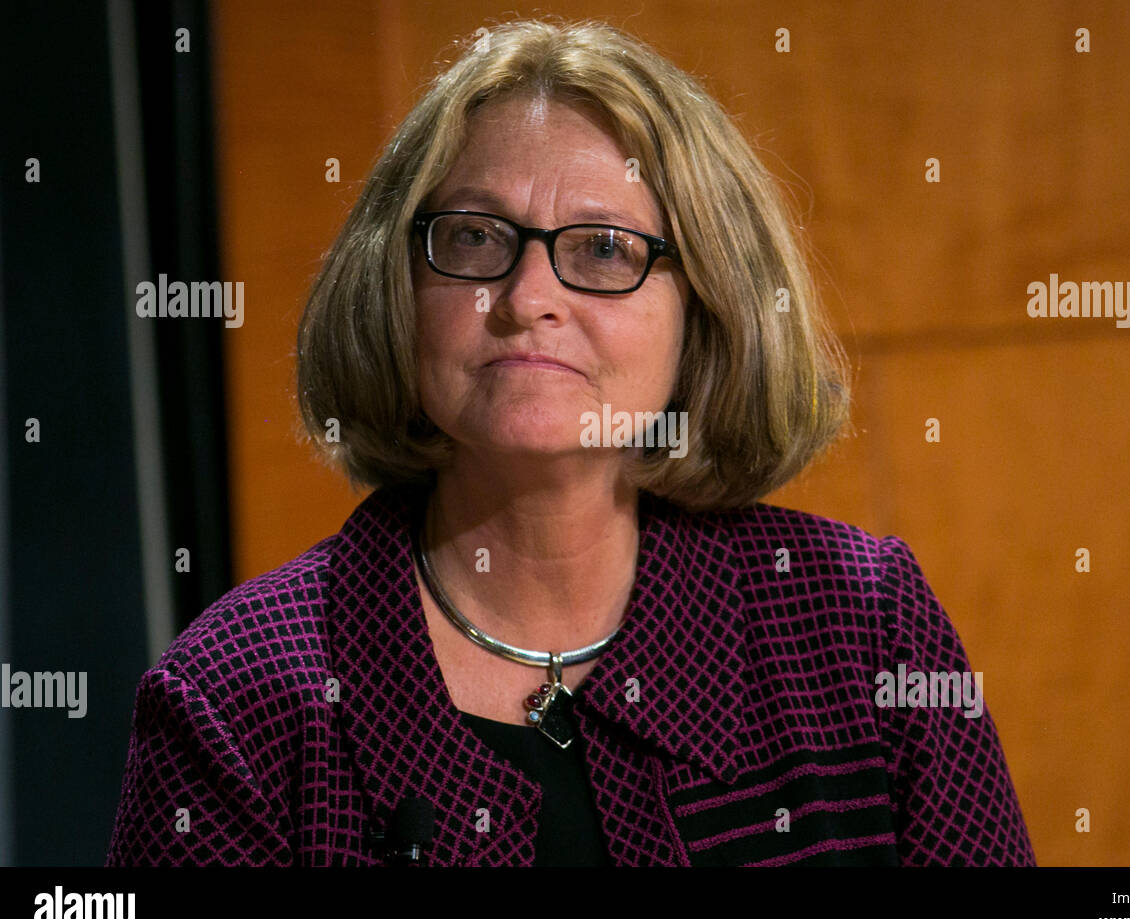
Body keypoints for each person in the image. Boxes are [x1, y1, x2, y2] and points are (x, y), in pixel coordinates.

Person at [106, 17, 1034, 866]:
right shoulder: (237, 696)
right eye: (475, 238)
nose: (526, 299)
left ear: (706, 305)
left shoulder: (865, 625)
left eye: (602, 249)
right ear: (397, 285)